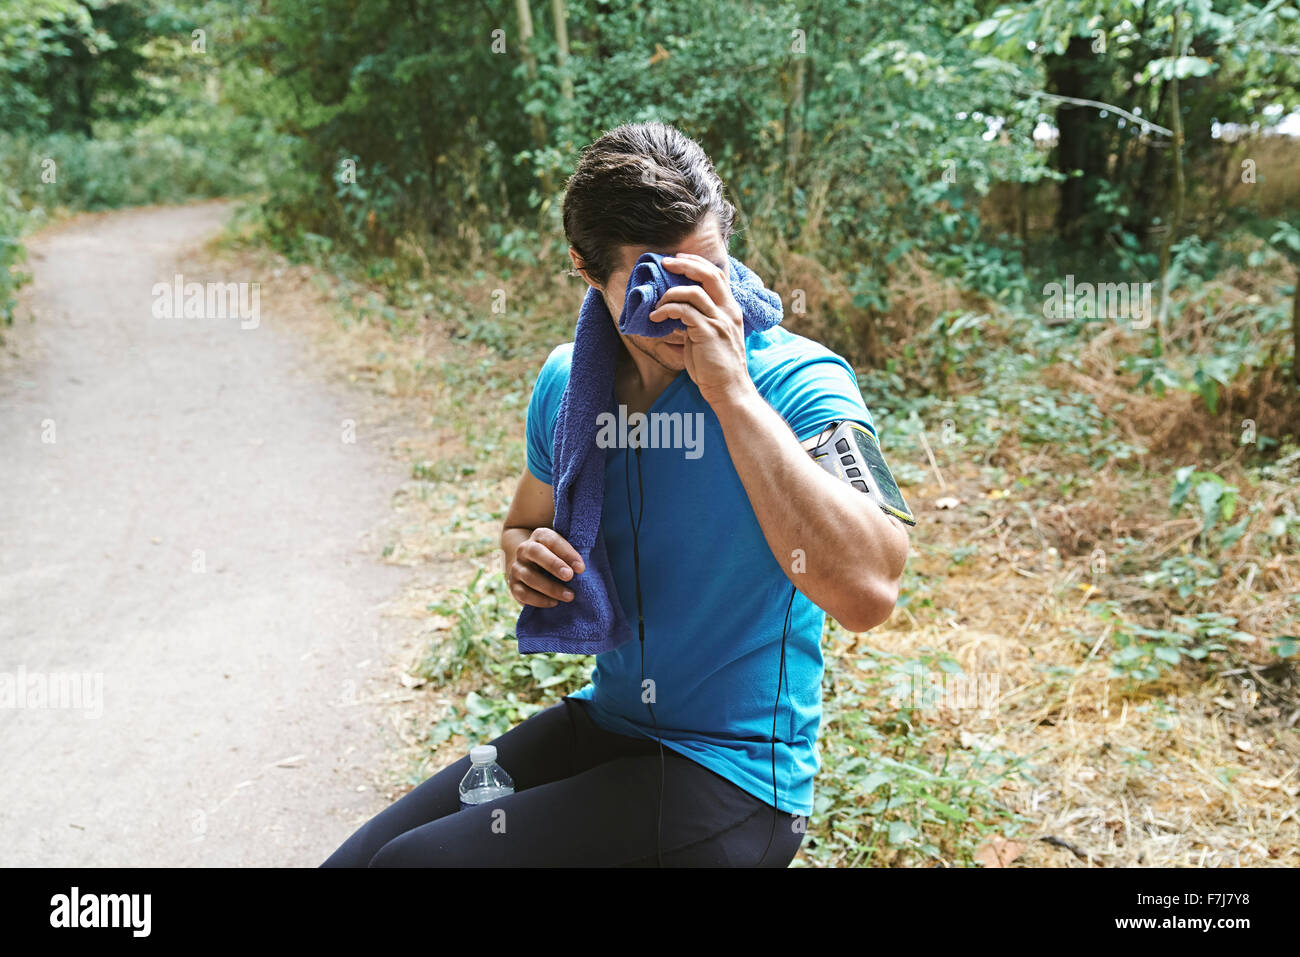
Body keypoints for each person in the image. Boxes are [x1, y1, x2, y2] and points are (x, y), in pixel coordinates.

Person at [321, 121, 909, 867]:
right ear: (585, 268)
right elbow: (523, 523)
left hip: (737, 777)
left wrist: (731, 392)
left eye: (707, 271)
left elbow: (871, 593)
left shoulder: (800, 383)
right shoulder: (572, 386)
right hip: (614, 724)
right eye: (654, 281)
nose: (687, 307)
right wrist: (525, 559)